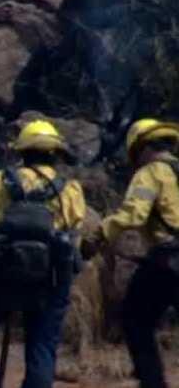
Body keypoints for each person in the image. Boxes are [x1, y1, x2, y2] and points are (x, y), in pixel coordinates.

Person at [0, 120, 85, 388]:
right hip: (49, 279)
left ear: (22, 152)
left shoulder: (1, 180)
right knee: (42, 342)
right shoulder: (70, 189)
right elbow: (76, 234)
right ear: (55, 154)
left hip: (1, 275)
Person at [82, 118, 179, 388]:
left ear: (139, 149)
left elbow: (133, 214)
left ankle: (153, 383)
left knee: (135, 319)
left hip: (168, 261)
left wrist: (99, 235)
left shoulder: (151, 172)